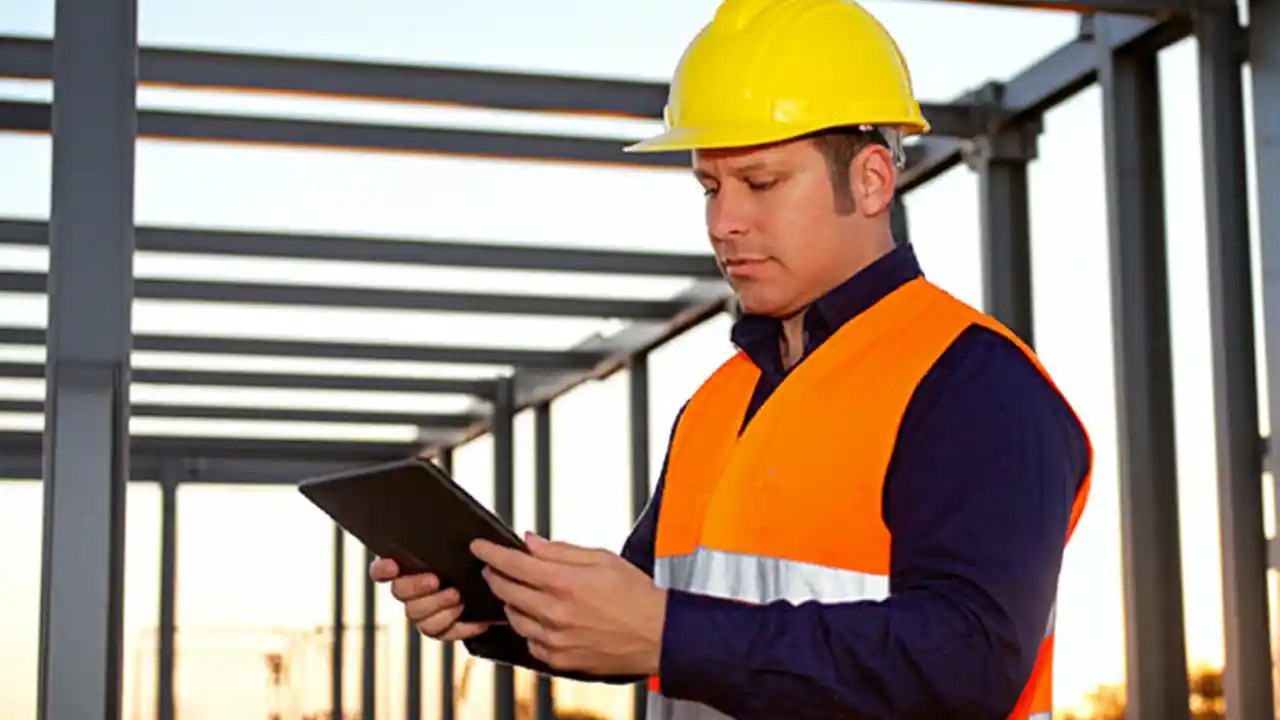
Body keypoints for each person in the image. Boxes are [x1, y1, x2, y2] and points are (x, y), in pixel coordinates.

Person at [371, 0, 1092, 717]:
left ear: (872, 180)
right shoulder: (718, 403)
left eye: (762, 182)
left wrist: (666, 633)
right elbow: (643, 623)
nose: (723, 222)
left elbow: (970, 658)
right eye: (710, 187)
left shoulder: (975, 383)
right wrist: (495, 609)